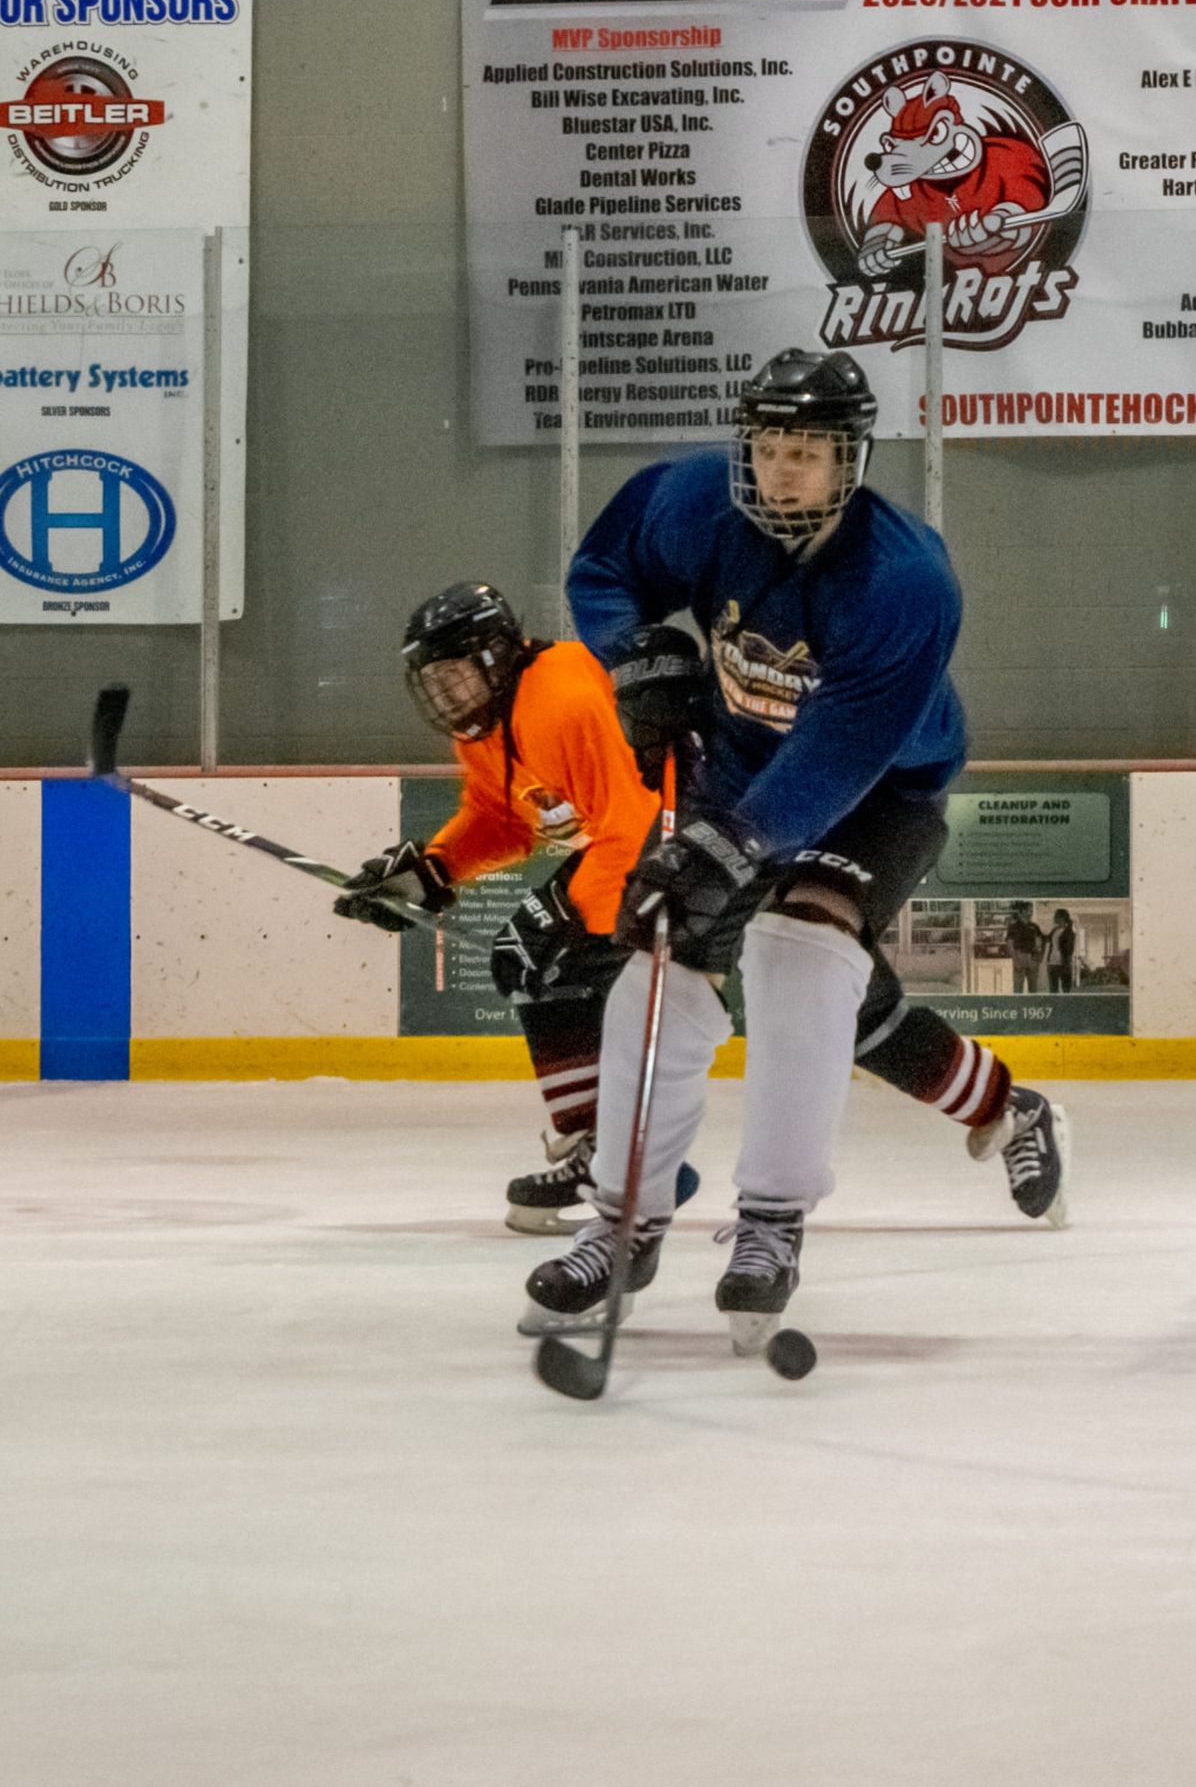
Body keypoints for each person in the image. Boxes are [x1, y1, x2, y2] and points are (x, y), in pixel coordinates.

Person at [524, 348, 1069, 1345]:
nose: (781, 471)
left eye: (807, 453)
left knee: (802, 952)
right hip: (736, 763)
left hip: (876, 789)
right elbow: (603, 569)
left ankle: (771, 1222)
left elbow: (842, 749)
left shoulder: (906, 580)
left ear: (849, 459)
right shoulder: (696, 502)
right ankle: (623, 1218)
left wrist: (736, 842)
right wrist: (636, 655)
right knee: (658, 955)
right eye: (769, 447)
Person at [331, 581, 698, 1234]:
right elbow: (502, 819)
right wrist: (434, 870)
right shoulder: (491, 725)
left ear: (495, 656)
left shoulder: (565, 699)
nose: (444, 696)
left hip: (701, 839)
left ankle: (624, 1157)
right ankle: (612, 1153)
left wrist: (580, 921)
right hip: (648, 845)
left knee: (541, 957)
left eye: (454, 675)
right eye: (433, 683)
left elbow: (637, 820)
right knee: (534, 961)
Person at [1005, 900, 1047, 993]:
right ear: (1022, 911)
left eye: (1031, 910)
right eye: (1029, 910)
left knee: (1033, 989)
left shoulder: (1034, 926)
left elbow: (1042, 941)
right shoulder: (1013, 926)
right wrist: (1015, 959)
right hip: (1019, 957)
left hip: (1032, 958)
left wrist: (1041, 956)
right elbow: (1010, 944)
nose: (1031, 913)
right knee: (1017, 989)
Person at [1047, 907, 1078, 994]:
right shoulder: (1054, 930)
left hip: (1063, 964)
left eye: (1056, 916)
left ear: (1062, 918)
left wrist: (1067, 964)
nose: (1054, 918)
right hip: (1052, 963)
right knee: (1053, 990)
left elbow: (1070, 949)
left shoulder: (1069, 932)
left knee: (1066, 989)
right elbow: (1047, 939)